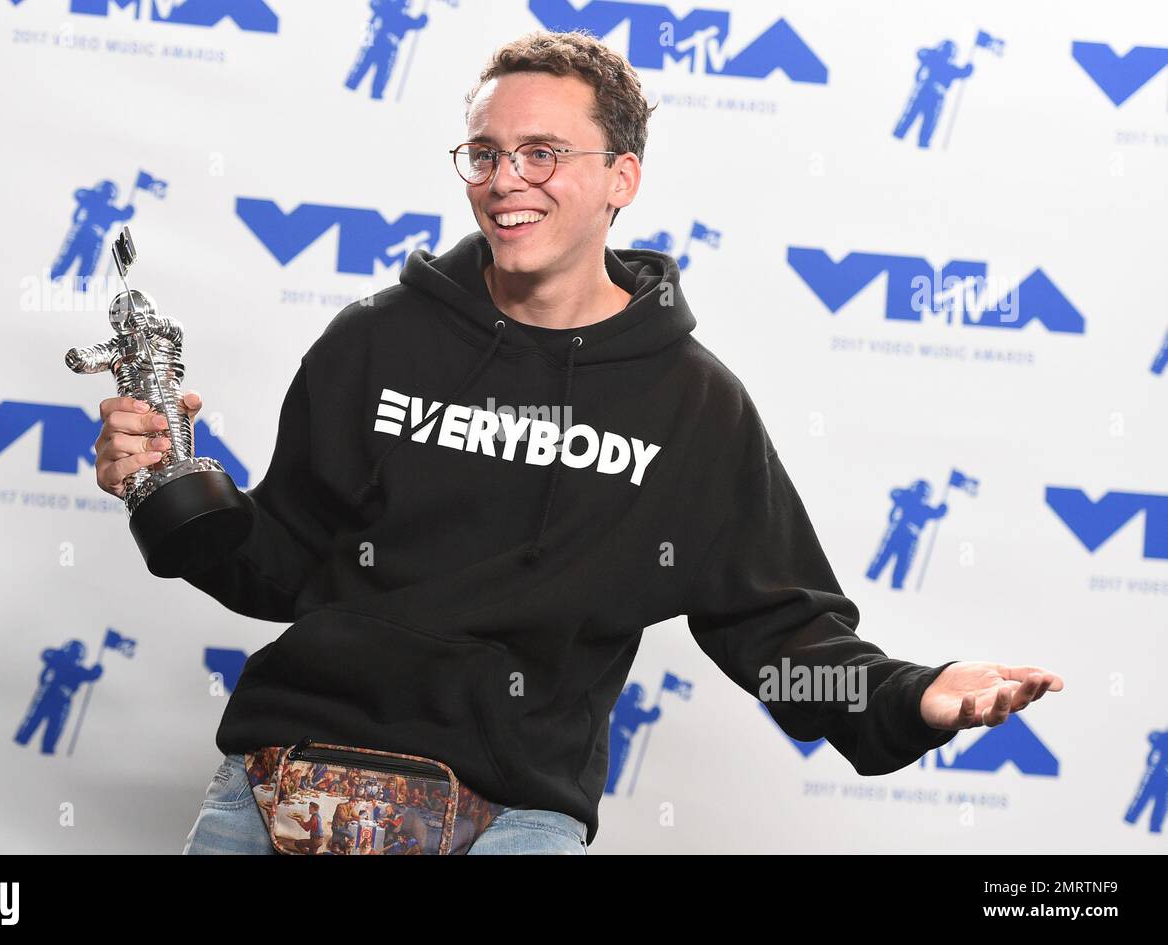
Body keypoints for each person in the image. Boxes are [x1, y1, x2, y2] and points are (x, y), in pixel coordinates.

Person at [96, 30, 1063, 855]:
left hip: (510, 818)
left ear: (622, 179)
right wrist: (174, 492)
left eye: (541, 152)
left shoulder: (692, 404)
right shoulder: (376, 336)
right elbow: (287, 563)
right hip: (280, 784)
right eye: (484, 152)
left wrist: (911, 693)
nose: (506, 180)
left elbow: (777, 629)